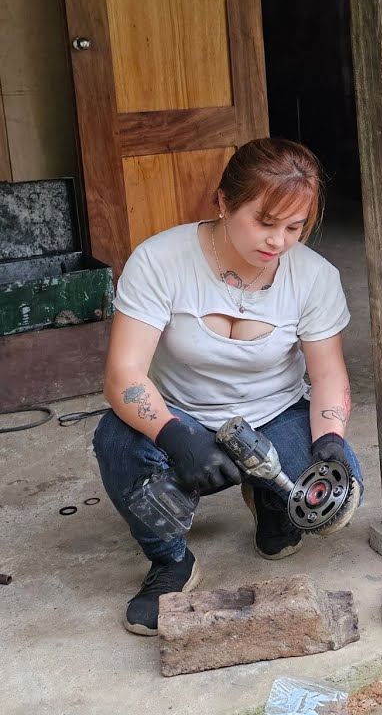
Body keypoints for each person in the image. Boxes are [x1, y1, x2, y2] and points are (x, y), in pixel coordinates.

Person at [92, 138, 362, 636]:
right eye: (265, 221)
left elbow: (328, 375)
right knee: (117, 441)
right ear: (223, 202)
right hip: (181, 411)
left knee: (333, 500)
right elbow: (123, 375)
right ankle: (170, 561)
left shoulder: (314, 277)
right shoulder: (159, 260)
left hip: (274, 411)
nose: (278, 241)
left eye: (294, 227)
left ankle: (271, 501)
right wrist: (175, 436)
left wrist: (330, 441)